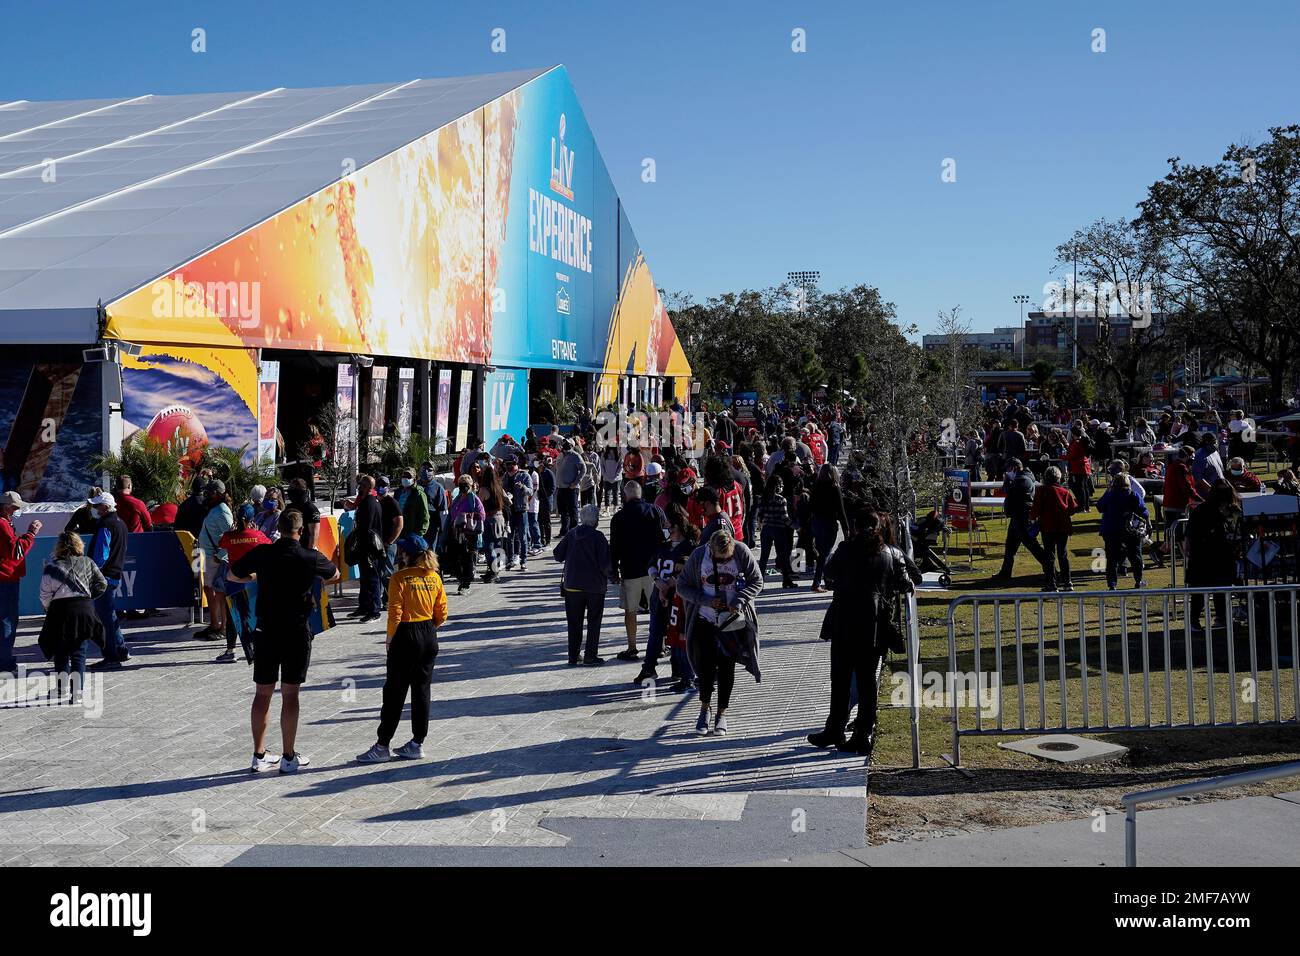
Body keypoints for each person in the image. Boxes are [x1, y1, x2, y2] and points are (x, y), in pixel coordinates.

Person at [228, 510, 339, 773]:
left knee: (262, 693)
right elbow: (334, 574)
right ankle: (289, 756)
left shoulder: (264, 552)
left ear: (278, 528)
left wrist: (254, 577)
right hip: (296, 631)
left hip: (266, 629)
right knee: (290, 695)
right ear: (300, 532)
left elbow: (233, 575)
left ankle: (258, 754)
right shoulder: (309, 556)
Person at [808, 509, 919, 756]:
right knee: (867, 682)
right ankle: (861, 734)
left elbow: (829, 573)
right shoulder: (891, 553)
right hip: (874, 626)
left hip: (845, 622)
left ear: (856, 528)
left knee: (840, 680)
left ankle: (835, 729)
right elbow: (907, 581)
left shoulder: (847, 549)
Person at [356, 536, 448, 763]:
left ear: (406, 554)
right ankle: (417, 742)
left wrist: (390, 639)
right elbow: (442, 613)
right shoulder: (434, 577)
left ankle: (382, 745)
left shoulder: (399, 578)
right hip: (428, 633)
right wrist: (428, 628)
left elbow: (395, 613)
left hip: (406, 634)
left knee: (395, 692)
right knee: (422, 690)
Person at [676, 526, 763, 736]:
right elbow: (682, 586)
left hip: (732, 623)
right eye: (719, 559)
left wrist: (740, 599)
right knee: (705, 668)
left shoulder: (742, 552)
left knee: (727, 669)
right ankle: (704, 709)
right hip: (705, 619)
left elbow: (757, 581)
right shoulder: (699, 556)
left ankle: (722, 714)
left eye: (727, 559)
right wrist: (705, 600)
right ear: (710, 550)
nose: (724, 562)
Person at [38, 530, 106, 702]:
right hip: (83, 609)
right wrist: (88, 598)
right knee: (79, 652)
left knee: (60, 652)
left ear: (59, 547)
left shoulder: (52, 567)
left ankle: (61, 690)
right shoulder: (88, 562)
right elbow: (102, 584)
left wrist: (49, 609)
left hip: (60, 611)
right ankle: (78, 693)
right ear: (79, 544)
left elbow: (44, 594)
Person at [638, 504, 699, 689]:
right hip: (659, 596)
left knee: (679, 634)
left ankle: (681, 671)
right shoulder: (661, 546)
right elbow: (650, 565)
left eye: (669, 525)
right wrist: (657, 581)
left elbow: (689, 570)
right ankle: (648, 668)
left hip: (678, 599)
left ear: (678, 526)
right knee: (655, 632)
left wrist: (672, 582)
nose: (666, 529)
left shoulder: (690, 547)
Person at [609, 480, 668, 664]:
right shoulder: (655, 511)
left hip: (630, 570)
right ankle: (660, 645)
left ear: (625, 495)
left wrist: (614, 571)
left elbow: (614, 548)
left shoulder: (618, 518)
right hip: (654, 570)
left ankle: (632, 647)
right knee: (657, 610)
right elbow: (665, 536)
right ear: (640, 494)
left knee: (631, 611)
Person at [554, 504, 612, 665]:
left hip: (572, 585)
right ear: (596, 521)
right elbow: (605, 565)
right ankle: (590, 655)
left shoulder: (572, 534)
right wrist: (614, 576)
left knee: (574, 622)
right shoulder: (599, 537)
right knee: (594, 621)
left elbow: (558, 555)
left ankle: (573, 655)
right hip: (594, 587)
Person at [215, 504, 271, 662]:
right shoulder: (258, 536)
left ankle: (230, 650)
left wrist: (233, 529)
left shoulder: (229, 536)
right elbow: (269, 546)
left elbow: (221, 544)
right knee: (256, 615)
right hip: (253, 583)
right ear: (252, 519)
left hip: (233, 581)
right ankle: (258, 648)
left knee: (233, 617)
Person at [1184, 479, 1242, 630]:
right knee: (1206, 589)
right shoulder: (1208, 510)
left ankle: (1216, 619)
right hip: (1209, 554)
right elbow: (1190, 535)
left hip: (1215, 555)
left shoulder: (1230, 510)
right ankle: (1199, 620)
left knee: (1214, 588)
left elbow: (1189, 535)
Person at [86, 492, 129, 671]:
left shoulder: (105, 525)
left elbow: (101, 555)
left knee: (106, 619)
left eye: (97, 506)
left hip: (103, 576)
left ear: (105, 506)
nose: (95, 509)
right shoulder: (120, 523)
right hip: (114, 574)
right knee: (109, 615)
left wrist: (92, 573)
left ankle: (111, 656)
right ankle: (120, 650)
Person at [0, 491, 41, 673]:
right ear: (7, 508)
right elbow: (15, 552)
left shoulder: (5, 523)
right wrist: (31, 534)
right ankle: (5, 661)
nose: (18, 511)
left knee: (6, 620)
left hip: (6, 578)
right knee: (7, 620)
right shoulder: (2, 524)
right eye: (16, 507)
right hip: (5, 579)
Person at [990, 458, 1048, 584]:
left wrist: (1008, 484)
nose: (1007, 472)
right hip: (1018, 518)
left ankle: (1050, 570)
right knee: (1010, 546)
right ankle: (1005, 572)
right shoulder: (1022, 478)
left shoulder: (1022, 480)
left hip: (1021, 517)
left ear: (1014, 468)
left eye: (1008, 469)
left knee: (1032, 546)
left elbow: (1011, 494)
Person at [1030, 466, 1079, 592]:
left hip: (1047, 527)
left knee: (1049, 556)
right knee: (1063, 554)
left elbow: (1035, 509)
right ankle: (1067, 582)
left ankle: (1051, 583)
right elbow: (1073, 509)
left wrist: (1033, 518)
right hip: (1062, 527)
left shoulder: (1042, 490)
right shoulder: (1065, 492)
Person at [196, 481, 234, 643]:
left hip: (215, 558)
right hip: (209, 556)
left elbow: (230, 536)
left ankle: (223, 627)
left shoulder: (223, 511)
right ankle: (214, 624)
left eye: (210, 493)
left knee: (219, 593)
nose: (206, 495)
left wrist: (220, 555)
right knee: (209, 589)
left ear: (218, 494)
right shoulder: (215, 509)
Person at [1098, 473, 1146, 590]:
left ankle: (1112, 584)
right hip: (1130, 530)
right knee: (1135, 556)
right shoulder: (1133, 495)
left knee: (1112, 558)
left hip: (1111, 529)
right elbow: (1144, 512)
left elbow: (1100, 506)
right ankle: (1138, 580)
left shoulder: (1109, 495)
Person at [809, 464, 850, 593]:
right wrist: (846, 529)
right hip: (829, 523)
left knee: (822, 552)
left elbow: (811, 506)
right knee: (825, 554)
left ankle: (827, 581)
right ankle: (817, 582)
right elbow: (841, 510)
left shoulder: (816, 486)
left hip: (816, 522)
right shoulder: (835, 488)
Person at [351, 475, 385, 623]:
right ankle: (364, 606)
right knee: (364, 578)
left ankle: (374, 610)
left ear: (368, 487)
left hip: (370, 546)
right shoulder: (365, 501)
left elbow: (367, 527)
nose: (359, 487)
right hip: (365, 545)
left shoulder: (370, 503)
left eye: (361, 485)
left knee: (372, 578)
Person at [445, 475, 485, 594]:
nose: (464, 487)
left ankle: (465, 583)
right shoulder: (457, 498)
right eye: (461, 484)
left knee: (467, 558)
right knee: (454, 557)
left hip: (468, 533)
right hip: (455, 532)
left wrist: (467, 517)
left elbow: (482, 515)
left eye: (466, 484)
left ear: (471, 485)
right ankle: (461, 578)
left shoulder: (474, 499)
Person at [758, 476, 797, 589]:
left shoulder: (763, 498)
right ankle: (786, 580)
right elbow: (785, 518)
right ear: (777, 486)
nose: (782, 487)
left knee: (764, 557)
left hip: (766, 529)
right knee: (782, 556)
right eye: (781, 485)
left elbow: (760, 516)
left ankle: (760, 583)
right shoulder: (781, 499)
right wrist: (796, 527)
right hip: (778, 530)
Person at [373, 476, 404, 610]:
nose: (381, 487)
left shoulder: (392, 503)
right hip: (378, 543)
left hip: (387, 544)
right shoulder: (376, 502)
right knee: (380, 573)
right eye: (379, 484)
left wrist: (390, 541)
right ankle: (384, 598)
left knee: (387, 573)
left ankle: (393, 598)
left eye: (384, 485)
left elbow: (399, 524)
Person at [477, 464, 509, 583]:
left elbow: (479, 504)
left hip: (489, 519)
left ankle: (494, 571)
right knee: (497, 544)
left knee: (488, 546)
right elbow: (509, 501)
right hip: (500, 518)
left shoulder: (484, 489)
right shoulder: (499, 487)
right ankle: (494, 570)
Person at [503, 456, 535, 571]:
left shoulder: (524, 475)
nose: (508, 466)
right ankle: (510, 560)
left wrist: (523, 487)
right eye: (506, 464)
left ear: (516, 464)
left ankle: (523, 561)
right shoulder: (505, 477)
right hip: (509, 511)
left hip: (521, 510)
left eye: (510, 464)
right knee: (509, 537)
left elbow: (531, 491)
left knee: (523, 537)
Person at [555, 438, 584, 536]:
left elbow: (583, 469)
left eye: (566, 444)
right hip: (560, 487)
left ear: (571, 445)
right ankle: (564, 531)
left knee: (573, 510)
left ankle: (574, 531)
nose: (563, 446)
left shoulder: (575, 456)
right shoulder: (560, 455)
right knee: (563, 512)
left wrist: (576, 482)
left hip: (571, 488)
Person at [283, 478, 321, 552]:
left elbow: (314, 534)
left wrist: (309, 553)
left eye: (294, 488)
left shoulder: (311, 509)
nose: (291, 490)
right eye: (290, 488)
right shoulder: (289, 507)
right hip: (289, 548)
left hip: (304, 548)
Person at [1066, 423, 1094, 511]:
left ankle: (1082, 506)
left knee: (1080, 488)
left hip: (1078, 467)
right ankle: (1086, 506)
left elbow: (1072, 456)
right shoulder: (1083, 441)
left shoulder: (1076, 443)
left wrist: (1062, 456)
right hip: (1085, 466)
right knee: (1085, 487)